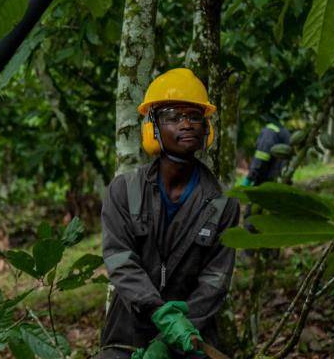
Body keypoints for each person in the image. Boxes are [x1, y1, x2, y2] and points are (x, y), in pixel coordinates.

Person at [99, 68, 241, 359]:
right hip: (128, 330)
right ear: (152, 128)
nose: (186, 124)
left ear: (207, 130)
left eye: (194, 117)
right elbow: (120, 260)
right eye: (174, 117)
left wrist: (172, 336)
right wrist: (158, 312)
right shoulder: (124, 191)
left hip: (190, 331)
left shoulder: (222, 204)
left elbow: (215, 279)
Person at [241, 121, 293, 187]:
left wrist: (248, 180)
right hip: (282, 181)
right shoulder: (284, 131)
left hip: (268, 182)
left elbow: (261, 159)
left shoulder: (269, 132)